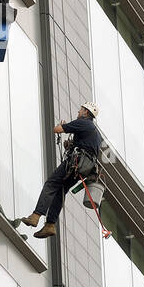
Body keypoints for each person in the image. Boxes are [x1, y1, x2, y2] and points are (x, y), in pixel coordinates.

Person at [20, 102, 103, 239]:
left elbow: (57, 129)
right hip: (83, 168)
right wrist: (71, 145)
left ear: (86, 113)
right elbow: (87, 147)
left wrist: (62, 126)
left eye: (81, 110)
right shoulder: (96, 133)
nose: (78, 111)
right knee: (60, 191)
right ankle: (50, 225)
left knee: (51, 184)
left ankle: (35, 216)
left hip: (75, 162)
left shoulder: (83, 123)